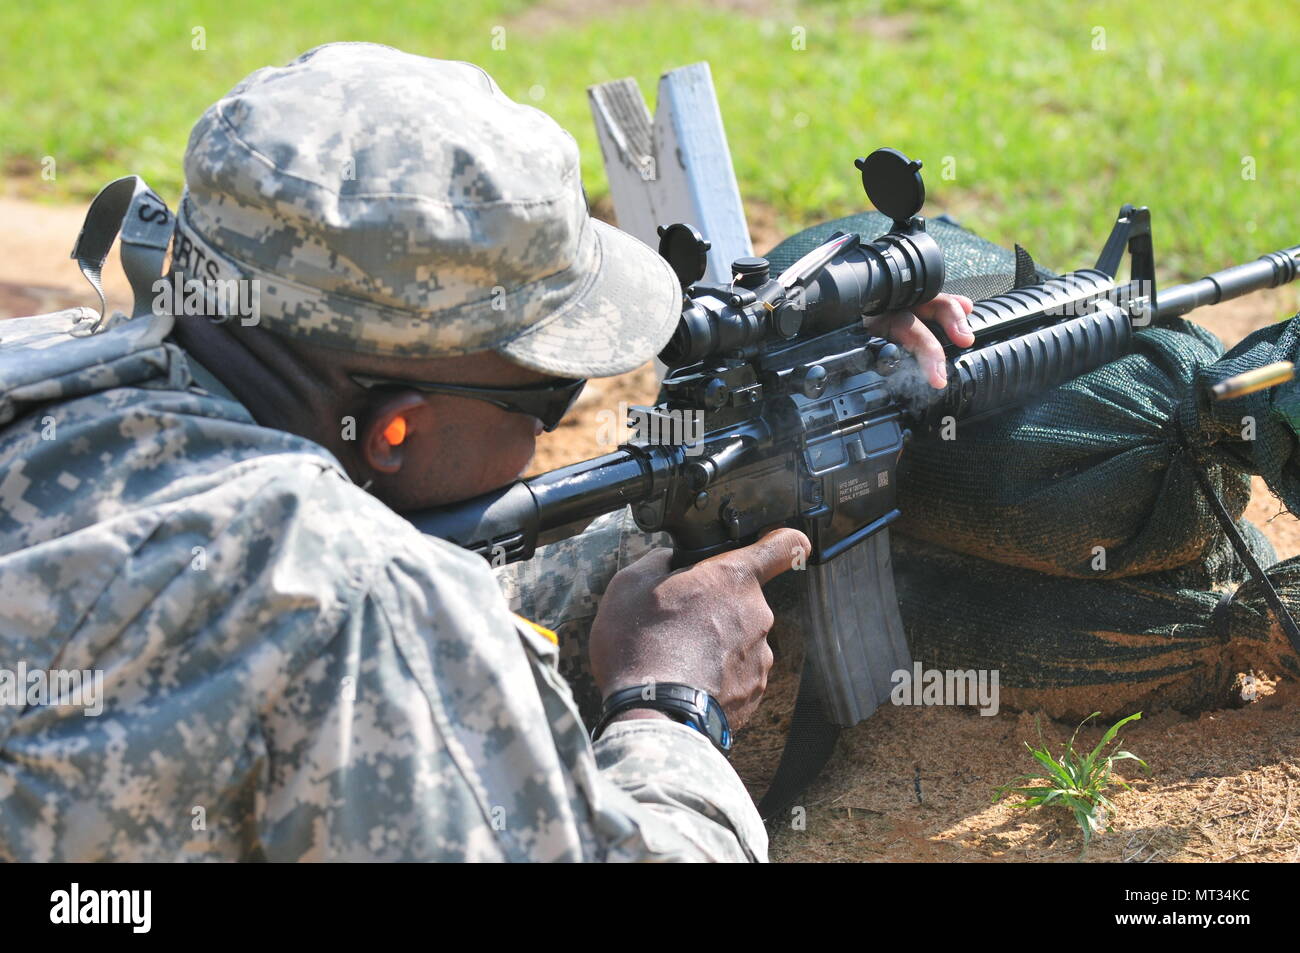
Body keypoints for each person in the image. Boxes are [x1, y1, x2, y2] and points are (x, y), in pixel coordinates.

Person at [0, 42, 975, 862]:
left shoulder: (45, 371)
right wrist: (669, 704)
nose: (565, 413)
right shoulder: (354, 602)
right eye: (550, 390)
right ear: (398, 425)